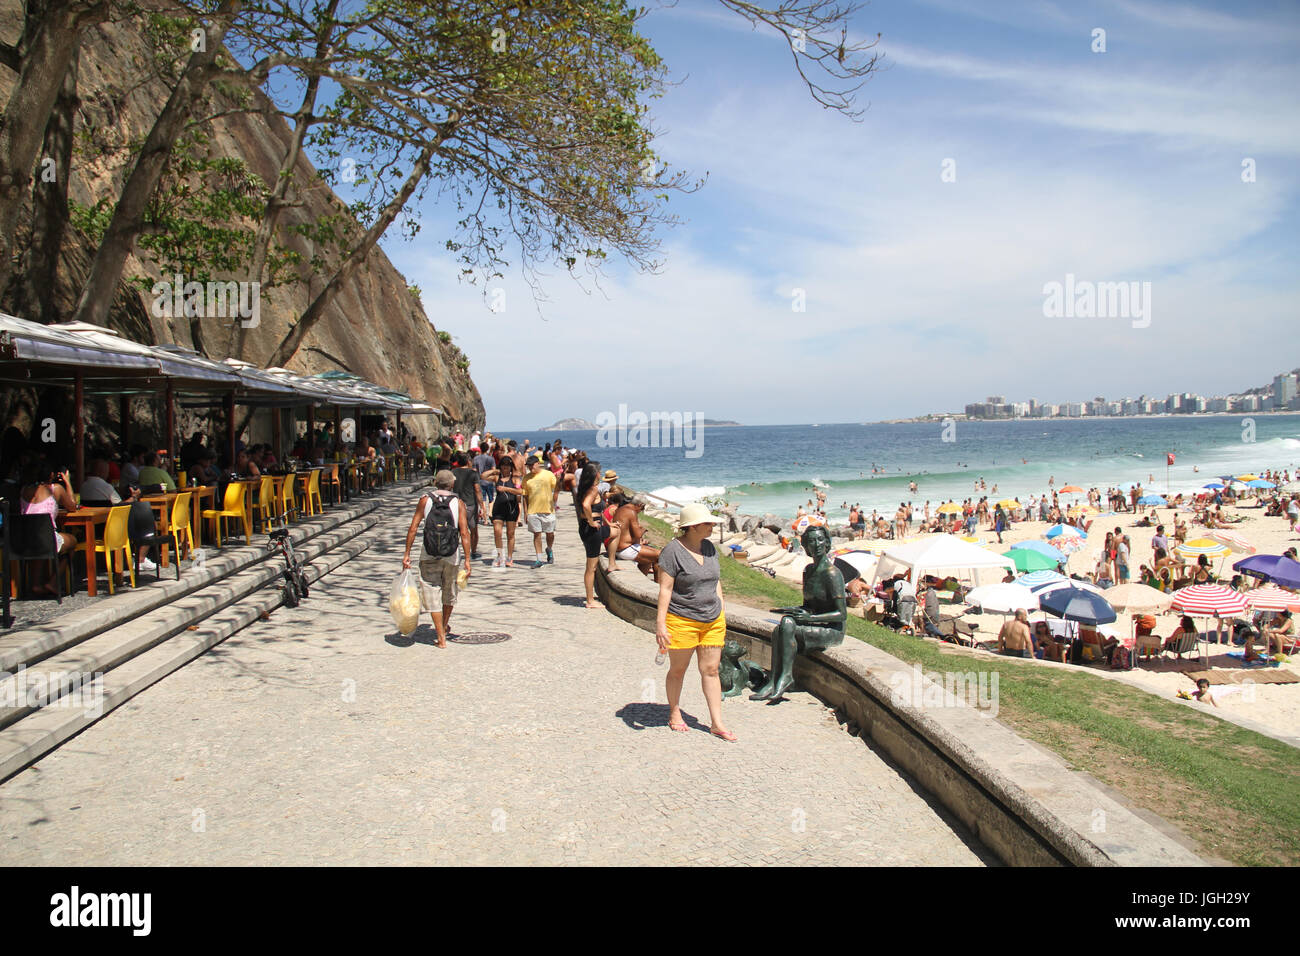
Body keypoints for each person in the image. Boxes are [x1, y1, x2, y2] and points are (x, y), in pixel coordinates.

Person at [655, 503, 733, 741]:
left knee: (711, 670)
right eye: (708, 523)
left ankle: (717, 723)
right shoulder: (672, 551)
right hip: (682, 619)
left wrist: (722, 610)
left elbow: (715, 581)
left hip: (712, 620)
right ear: (692, 527)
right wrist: (660, 624)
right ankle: (674, 711)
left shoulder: (709, 548)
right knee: (678, 670)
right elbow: (665, 590)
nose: (712, 526)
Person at [401, 469, 473, 647]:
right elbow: (464, 532)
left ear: (435, 483)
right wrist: (467, 559)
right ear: (452, 484)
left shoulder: (425, 500)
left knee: (431, 592)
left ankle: (440, 636)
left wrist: (407, 554)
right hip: (451, 554)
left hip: (429, 552)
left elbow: (413, 528)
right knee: (449, 592)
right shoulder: (459, 503)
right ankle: (444, 624)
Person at [19, 460, 79, 594]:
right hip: (45, 540)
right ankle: (53, 582)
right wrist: (68, 482)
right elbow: (72, 506)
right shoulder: (55, 489)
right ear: (51, 475)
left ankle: (35, 584)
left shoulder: (24, 490)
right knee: (72, 542)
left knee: (40, 541)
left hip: (26, 540)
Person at [576, 463, 617, 608]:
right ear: (595, 474)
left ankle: (612, 563)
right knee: (591, 567)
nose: (601, 474)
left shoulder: (587, 489)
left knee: (615, 531)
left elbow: (599, 510)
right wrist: (591, 521)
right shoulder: (592, 490)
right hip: (591, 530)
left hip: (594, 528)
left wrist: (608, 523)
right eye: (599, 472)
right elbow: (587, 506)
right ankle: (590, 600)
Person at [522, 455, 558, 568]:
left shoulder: (548, 474)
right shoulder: (526, 478)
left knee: (550, 533)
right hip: (533, 511)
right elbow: (525, 496)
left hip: (548, 510)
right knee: (537, 535)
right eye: (528, 466)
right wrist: (525, 512)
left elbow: (556, 488)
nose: (530, 468)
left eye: (532, 465)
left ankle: (549, 549)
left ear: (538, 464)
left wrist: (554, 502)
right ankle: (538, 559)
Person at [612, 494, 660, 579]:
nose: (641, 511)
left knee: (648, 559)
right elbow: (638, 535)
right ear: (640, 505)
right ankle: (658, 585)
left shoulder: (621, 509)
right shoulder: (632, 512)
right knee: (660, 556)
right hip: (625, 549)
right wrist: (643, 530)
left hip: (617, 547)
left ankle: (642, 580)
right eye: (643, 508)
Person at [489, 456, 524, 569]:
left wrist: (507, 489)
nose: (505, 468)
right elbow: (483, 476)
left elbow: (520, 491)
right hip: (498, 508)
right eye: (503, 466)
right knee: (497, 532)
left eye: (507, 466)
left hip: (511, 508)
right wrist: (494, 470)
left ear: (511, 467)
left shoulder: (515, 479)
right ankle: (500, 556)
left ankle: (509, 556)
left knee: (510, 533)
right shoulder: (496, 478)